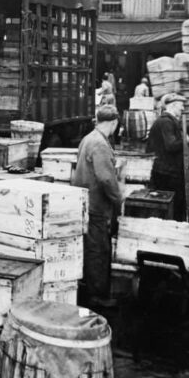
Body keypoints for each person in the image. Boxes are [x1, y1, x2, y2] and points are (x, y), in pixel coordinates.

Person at [71, 105, 122, 308]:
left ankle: (90, 291)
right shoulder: (100, 144)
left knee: (90, 248)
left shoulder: (88, 138)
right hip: (96, 205)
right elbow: (106, 179)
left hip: (85, 202)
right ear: (114, 123)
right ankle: (98, 296)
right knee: (98, 250)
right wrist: (119, 199)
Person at [147, 92, 187, 221]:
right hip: (167, 174)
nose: (183, 109)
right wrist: (185, 140)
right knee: (173, 207)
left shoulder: (166, 121)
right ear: (174, 105)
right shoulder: (166, 122)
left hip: (166, 171)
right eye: (181, 105)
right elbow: (171, 145)